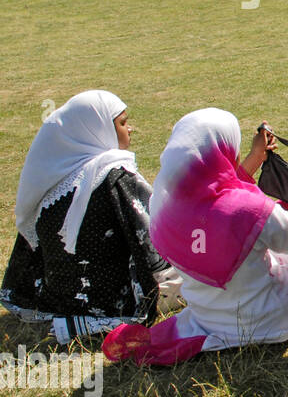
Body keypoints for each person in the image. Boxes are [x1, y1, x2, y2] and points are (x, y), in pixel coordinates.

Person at [103, 109, 288, 365]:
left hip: (209, 317)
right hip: (266, 322)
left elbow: (216, 203)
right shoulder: (252, 210)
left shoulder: (164, 207)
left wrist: (255, 158)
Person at [3, 91, 181, 344]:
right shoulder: (115, 175)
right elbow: (154, 242)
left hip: (60, 298)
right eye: (122, 123)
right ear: (96, 129)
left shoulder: (52, 177)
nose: (130, 129)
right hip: (112, 300)